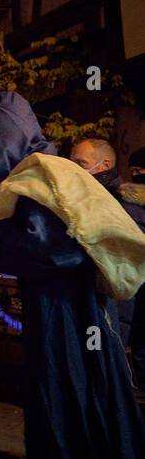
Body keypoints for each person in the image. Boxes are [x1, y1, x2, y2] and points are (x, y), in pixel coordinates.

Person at [0, 92, 145, 459]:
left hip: (69, 315)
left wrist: (3, 247)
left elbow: (64, 248)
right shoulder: (42, 173)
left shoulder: (48, 174)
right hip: (61, 312)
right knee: (67, 405)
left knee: (72, 404)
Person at [70, 138, 145, 383]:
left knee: (107, 368)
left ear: (104, 165)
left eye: (80, 162)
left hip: (114, 303)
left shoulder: (120, 205)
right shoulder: (87, 199)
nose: (73, 167)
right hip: (100, 301)